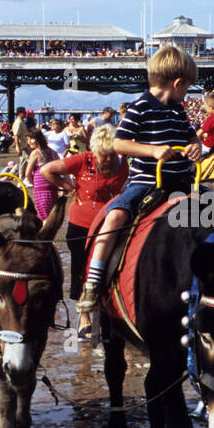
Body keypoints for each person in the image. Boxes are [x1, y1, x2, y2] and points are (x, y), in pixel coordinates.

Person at [76, 47, 200, 314]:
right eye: (187, 86)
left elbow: (191, 136)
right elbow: (120, 143)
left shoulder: (178, 109)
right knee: (115, 217)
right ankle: (94, 283)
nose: (187, 92)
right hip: (147, 183)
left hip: (183, 181)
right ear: (177, 83)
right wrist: (152, 150)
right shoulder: (140, 106)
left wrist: (195, 146)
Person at [39, 124, 128, 340]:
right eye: (102, 155)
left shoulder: (121, 163)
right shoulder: (83, 160)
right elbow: (46, 170)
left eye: (109, 155)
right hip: (81, 225)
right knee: (81, 271)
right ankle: (85, 319)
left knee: (112, 268)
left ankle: (111, 314)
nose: (106, 160)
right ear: (94, 150)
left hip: (108, 224)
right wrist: (69, 188)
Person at [22, 128, 61, 220]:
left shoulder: (36, 153)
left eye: (31, 139)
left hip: (41, 189)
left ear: (38, 139)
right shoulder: (53, 152)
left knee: (43, 217)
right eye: (27, 139)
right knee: (52, 216)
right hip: (53, 188)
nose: (29, 142)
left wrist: (33, 183)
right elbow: (60, 170)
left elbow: (27, 173)